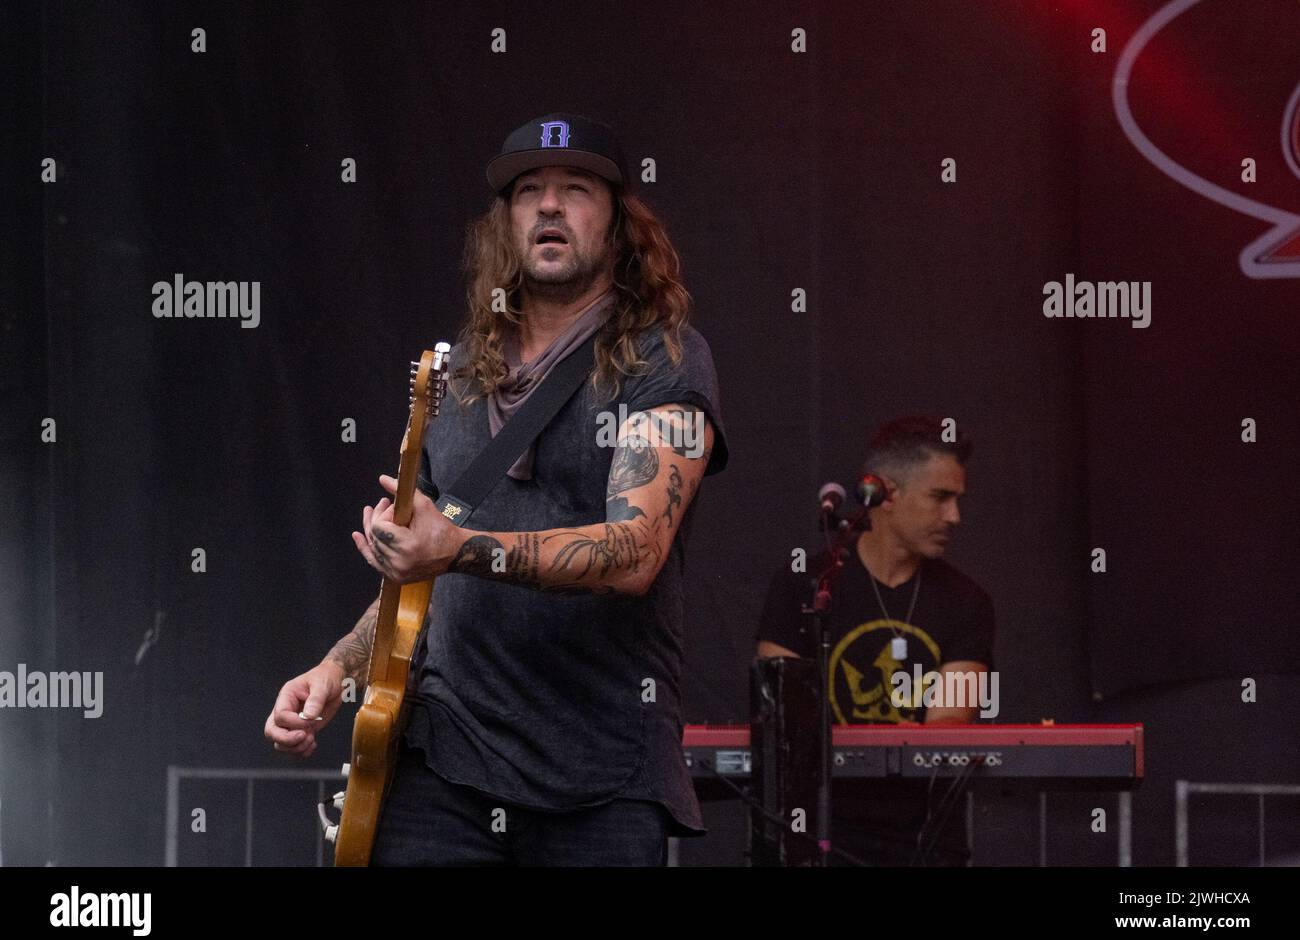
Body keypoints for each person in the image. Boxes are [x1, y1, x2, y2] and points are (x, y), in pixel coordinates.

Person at [264, 113, 728, 866]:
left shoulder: (665, 359)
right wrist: (336, 668)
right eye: (528, 192)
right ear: (504, 224)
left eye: (576, 189)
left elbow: (636, 551)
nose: (549, 206)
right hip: (444, 761)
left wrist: (457, 547)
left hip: (601, 774)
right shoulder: (458, 376)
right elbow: (425, 567)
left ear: (616, 224)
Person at [754, 416, 993, 865]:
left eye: (958, 500)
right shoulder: (805, 581)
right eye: (940, 498)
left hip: (925, 843)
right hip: (814, 838)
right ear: (884, 492)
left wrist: (916, 741)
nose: (954, 517)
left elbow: (949, 726)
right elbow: (780, 720)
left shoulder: (967, 602)